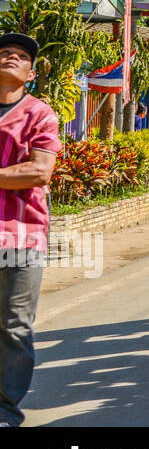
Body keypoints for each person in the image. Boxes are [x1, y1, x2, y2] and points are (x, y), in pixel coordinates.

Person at [0, 32, 62, 427]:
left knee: (13, 325)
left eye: (19, 56)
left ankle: (5, 409)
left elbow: (40, 170)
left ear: (31, 73)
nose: (9, 57)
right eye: (4, 52)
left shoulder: (40, 113)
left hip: (21, 237)